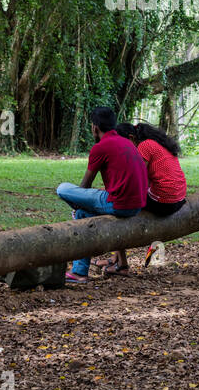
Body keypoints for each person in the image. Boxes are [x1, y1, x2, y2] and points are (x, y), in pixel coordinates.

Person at [56, 106, 148, 284]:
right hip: (137, 205)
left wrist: (80, 202)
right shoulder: (128, 143)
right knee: (83, 217)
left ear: (94, 128)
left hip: (118, 204)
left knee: (63, 188)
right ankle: (79, 273)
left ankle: (78, 211)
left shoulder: (100, 147)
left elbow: (85, 186)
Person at [98, 121, 188, 274]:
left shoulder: (144, 147)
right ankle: (115, 259)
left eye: (123, 143)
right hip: (179, 198)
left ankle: (122, 265)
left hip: (164, 200)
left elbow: (136, 180)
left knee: (116, 205)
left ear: (132, 138)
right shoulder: (156, 144)